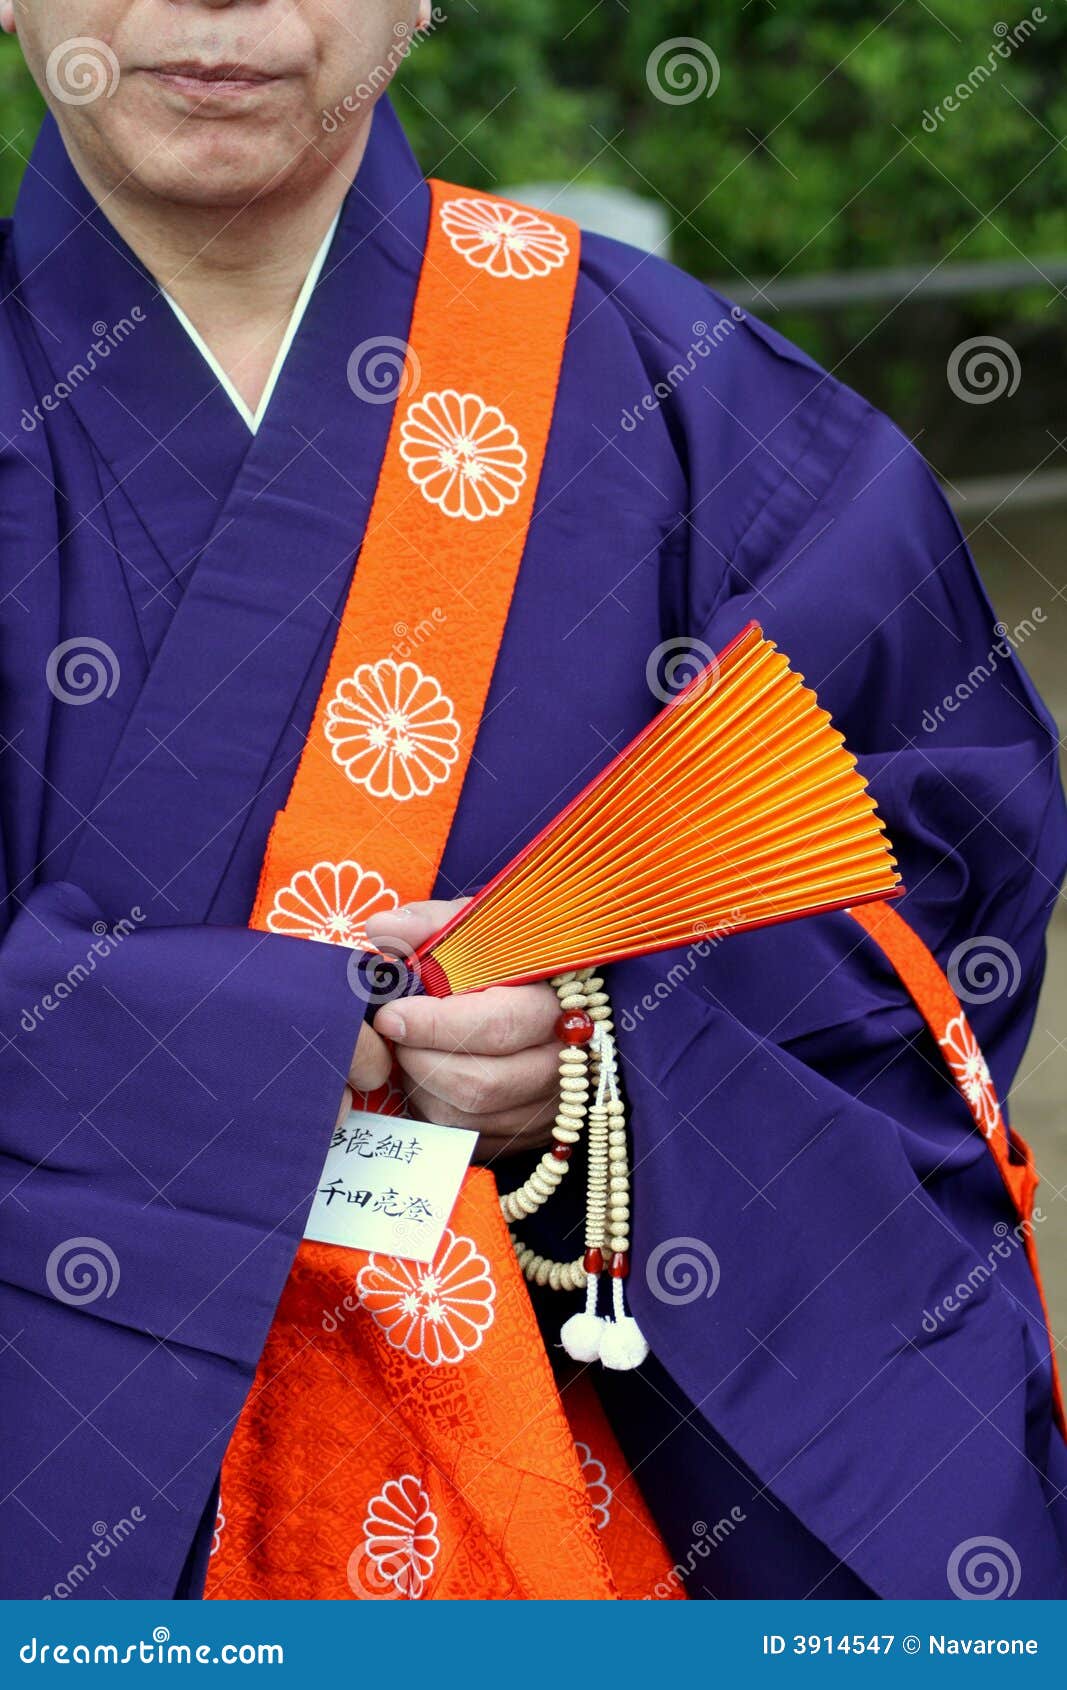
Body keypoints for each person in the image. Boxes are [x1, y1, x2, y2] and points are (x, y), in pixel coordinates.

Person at [1, 0, 1064, 1602]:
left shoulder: (692, 409)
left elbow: (929, 891)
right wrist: (259, 1045)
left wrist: (610, 1056)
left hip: (580, 1484)